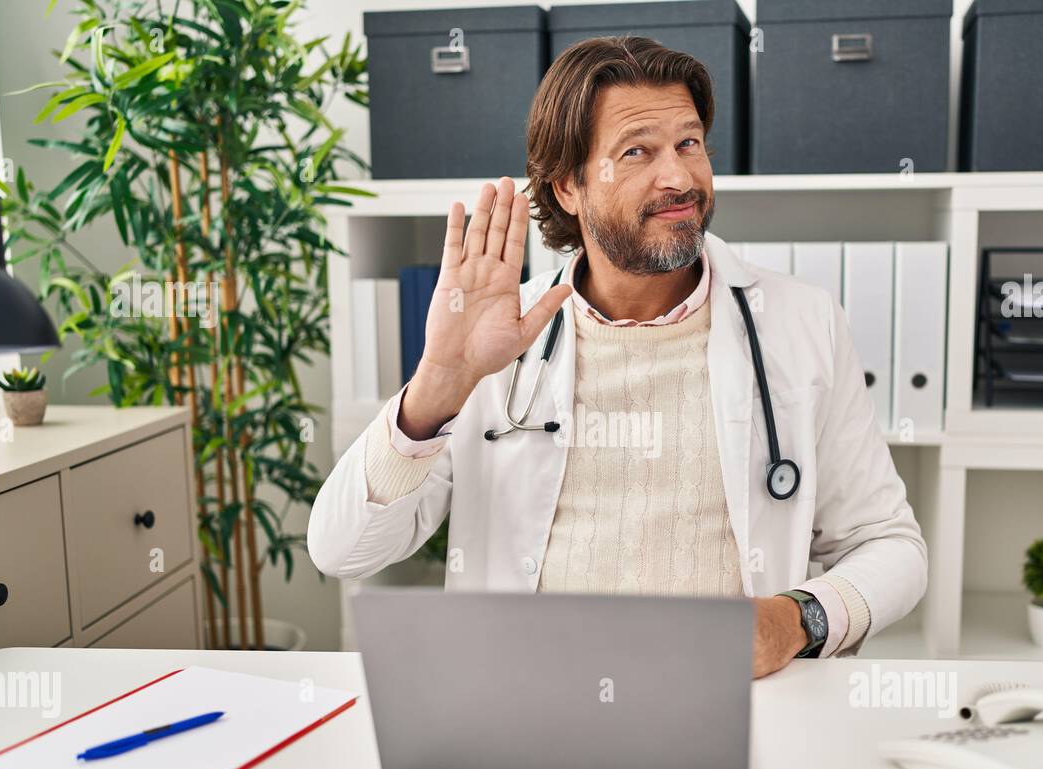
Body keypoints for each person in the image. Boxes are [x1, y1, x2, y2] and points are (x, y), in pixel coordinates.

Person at [308, 36, 926, 677]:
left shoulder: (801, 321)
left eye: (689, 143)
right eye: (638, 152)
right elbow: (340, 549)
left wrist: (796, 619)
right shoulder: (497, 339)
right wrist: (440, 381)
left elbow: (890, 545)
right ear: (569, 187)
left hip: (732, 704)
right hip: (530, 700)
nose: (680, 177)